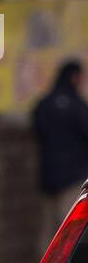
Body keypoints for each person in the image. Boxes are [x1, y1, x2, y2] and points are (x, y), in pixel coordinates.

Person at [32, 59, 88, 250]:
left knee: (47, 236)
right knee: (71, 235)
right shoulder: (78, 106)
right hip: (73, 181)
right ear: (75, 77)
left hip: (48, 178)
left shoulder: (42, 105)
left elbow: (37, 133)